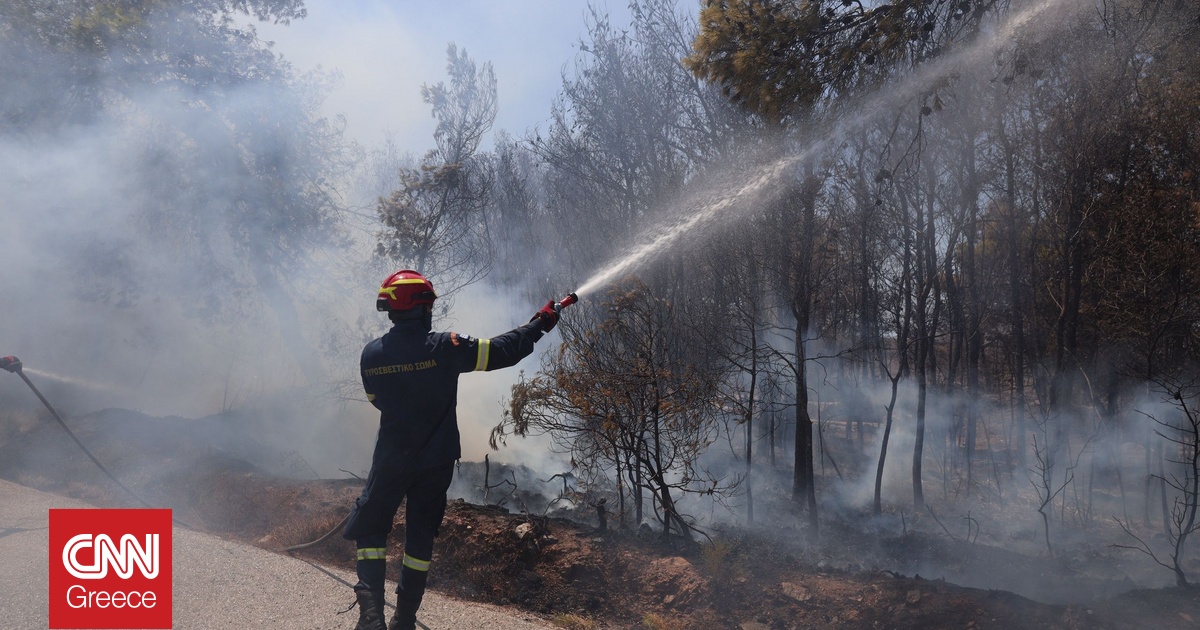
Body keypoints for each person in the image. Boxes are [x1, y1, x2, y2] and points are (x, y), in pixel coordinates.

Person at [345, 269, 562, 630]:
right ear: (423, 308)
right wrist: (540, 323)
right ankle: (405, 620)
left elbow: (375, 400)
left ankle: (371, 619)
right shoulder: (446, 347)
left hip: (391, 460)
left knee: (370, 531)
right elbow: (501, 351)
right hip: (436, 461)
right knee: (419, 537)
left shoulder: (372, 355)